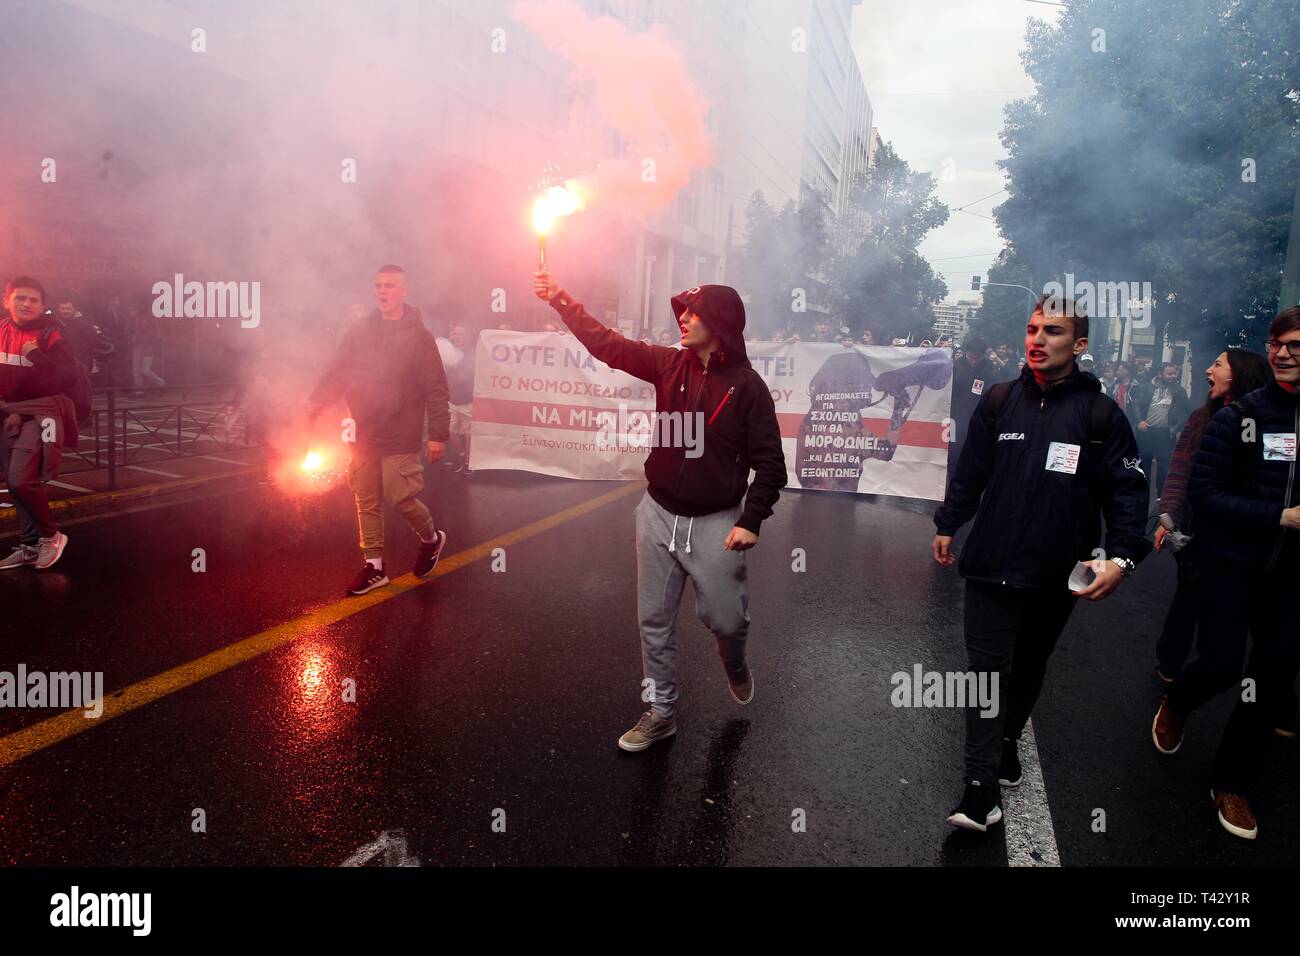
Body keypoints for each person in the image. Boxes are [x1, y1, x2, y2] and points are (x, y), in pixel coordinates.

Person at [533, 270, 787, 751]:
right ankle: (661, 712)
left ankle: (734, 660)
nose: (683, 319)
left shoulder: (749, 388)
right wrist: (561, 299)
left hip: (717, 523)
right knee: (653, 620)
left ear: (720, 322)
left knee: (727, 621)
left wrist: (751, 520)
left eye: (694, 313)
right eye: (683, 312)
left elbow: (772, 466)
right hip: (657, 513)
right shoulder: (668, 364)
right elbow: (607, 344)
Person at [932, 294, 1150, 832]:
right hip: (990, 563)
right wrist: (948, 522)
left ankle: (1008, 740)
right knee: (986, 672)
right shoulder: (999, 400)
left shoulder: (1100, 414)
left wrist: (1122, 557)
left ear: (1078, 344)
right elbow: (971, 470)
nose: (1037, 339)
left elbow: (1127, 490)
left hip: (1056, 571)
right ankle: (979, 789)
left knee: (1029, 664)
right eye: (1033, 329)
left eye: (1052, 331)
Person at [1151, 307, 1300, 840]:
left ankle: (1231, 784)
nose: (1283, 353)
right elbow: (1205, 495)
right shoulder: (1237, 417)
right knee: (1219, 664)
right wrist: (1277, 516)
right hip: (1230, 566)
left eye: (1296, 345)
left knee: (1270, 681)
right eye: (1277, 343)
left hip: (1290, 579)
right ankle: (1177, 701)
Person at [307, 265, 450, 596]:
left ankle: (431, 539)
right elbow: (338, 371)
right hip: (364, 430)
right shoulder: (360, 330)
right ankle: (374, 567)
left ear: (404, 290)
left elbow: (436, 387)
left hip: (401, 431)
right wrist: (317, 402)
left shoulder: (420, 337)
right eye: (378, 286)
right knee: (366, 498)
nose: (383, 291)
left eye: (389, 286)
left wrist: (437, 434)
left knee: (400, 497)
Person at [1153, 349, 1271, 682]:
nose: (1208, 370)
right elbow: (1180, 469)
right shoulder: (1200, 418)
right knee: (1187, 596)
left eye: (1218, 365)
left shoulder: (1266, 422)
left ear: (1240, 375)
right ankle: (1169, 664)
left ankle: (1215, 672)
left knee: (1228, 612)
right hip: (1198, 530)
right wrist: (1168, 516)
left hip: (1244, 536)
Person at [0, 277, 84, 571]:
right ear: (6, 301)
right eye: (20, 298)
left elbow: (66, 378)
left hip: (40, 413)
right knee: (15, 485)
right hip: (7, 414)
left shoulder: (51, 335)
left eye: (33, 300)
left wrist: (35, 354)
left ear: (42, 305)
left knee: (21, 480)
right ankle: (29, 545)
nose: (26, 304)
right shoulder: (1, 330)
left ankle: (51, 536)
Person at [947, 335, 998, 487]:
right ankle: (952, 482)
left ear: (983, 355)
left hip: (977, 420)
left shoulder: (990, 369)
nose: (974, 361)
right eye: (971, 357)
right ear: (965, 353)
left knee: (973, 454)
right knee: (953, 452)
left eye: (977, 358)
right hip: (955, 419)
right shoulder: (956, 366)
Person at [1129, 361, 1190, 483]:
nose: (1173, 376)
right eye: (1169, 374)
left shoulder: (1179, 391)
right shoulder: (1145, 387)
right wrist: (1140, 421)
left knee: (1164, 464)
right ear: (1160, 374)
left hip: (1166, 433)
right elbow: (1136, 404)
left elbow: (1185, 411)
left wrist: (1176, 428)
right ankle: (1143, 488)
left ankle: (1161, 491)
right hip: (1147, 431)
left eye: (1175, 373)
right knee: (1144, 461)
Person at [441, 323, 475, 474]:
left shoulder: (474, 352)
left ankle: (468, 462)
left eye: (460, 333)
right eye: (454, 333)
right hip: (451, 400)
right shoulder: (446, 351)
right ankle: (461, 455)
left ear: (467, 336)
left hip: (469, 401)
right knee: (448, 431)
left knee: (469, 435)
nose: (456, 336)